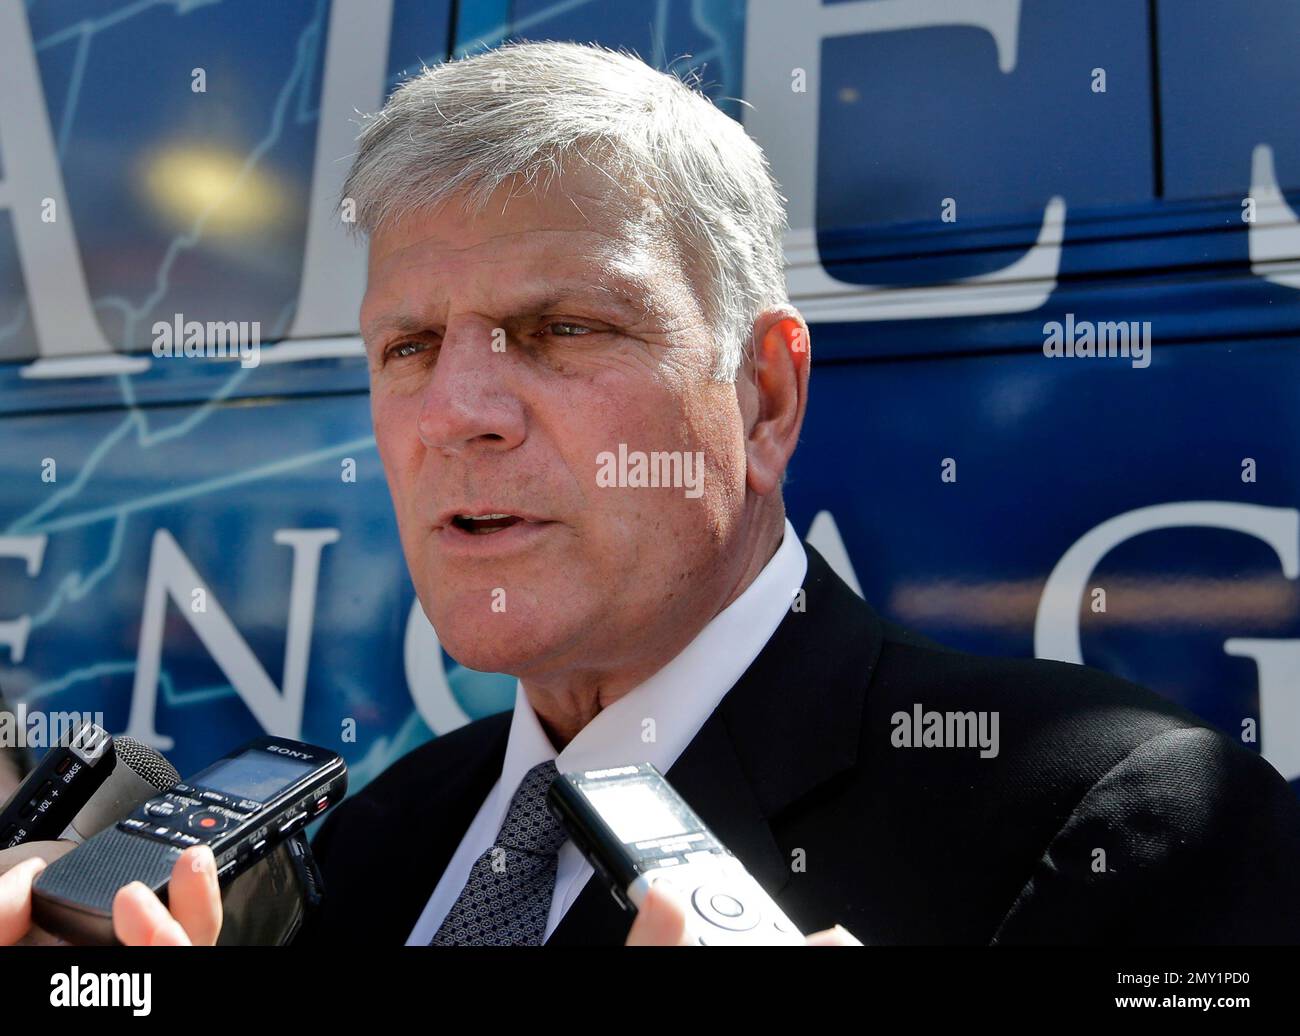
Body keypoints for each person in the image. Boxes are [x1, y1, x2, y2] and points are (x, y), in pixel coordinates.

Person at [4, 40, 1299, 947]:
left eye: (563, 327)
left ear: (765, 400)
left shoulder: (1126, 824)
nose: (459, 411)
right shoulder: (375, 843)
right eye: (408, 348)